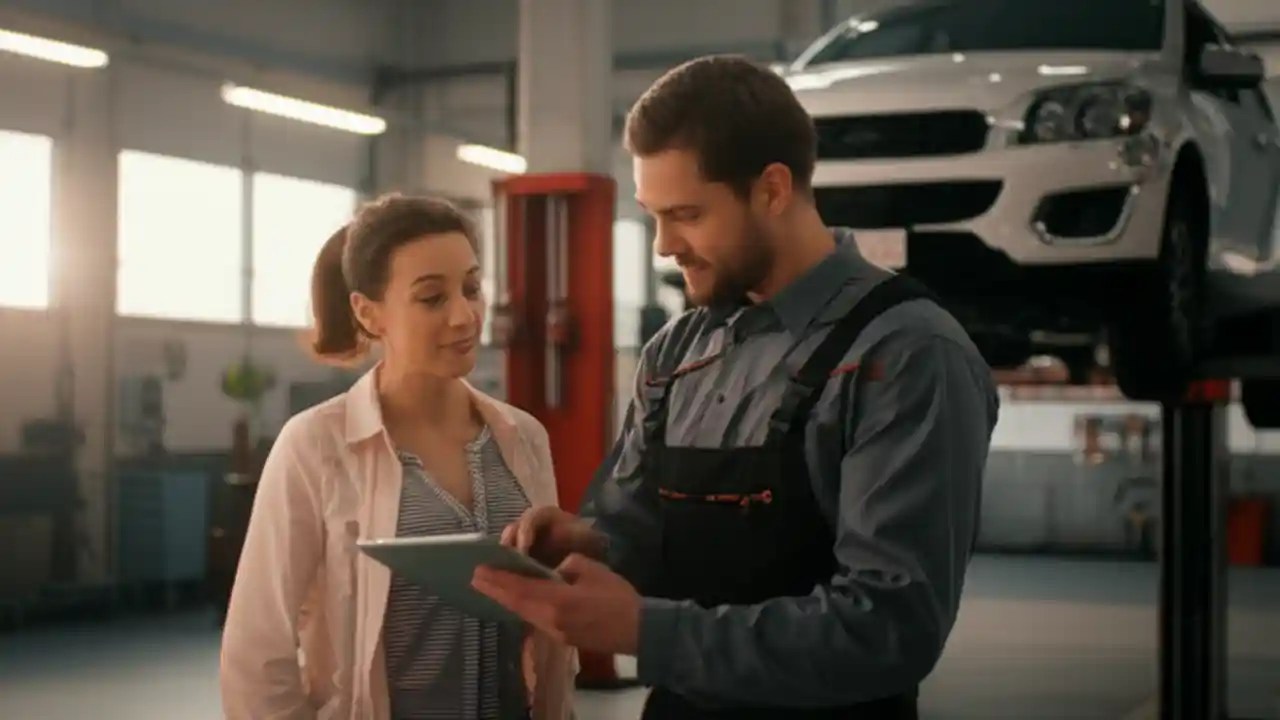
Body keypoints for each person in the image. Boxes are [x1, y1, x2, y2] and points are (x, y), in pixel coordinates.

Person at [472, 55, 999, 718]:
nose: (664, 244)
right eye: (653, 215)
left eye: (687, 213)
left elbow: (887, 629)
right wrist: (585, 543)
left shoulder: (905, 354)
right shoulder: (678, 351)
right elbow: (640, 532)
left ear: (772, 190)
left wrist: (642, 630)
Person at [220, 195, 576, 720]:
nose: (464, 315)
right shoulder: (315, 446)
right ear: (369, 312)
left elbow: (551, 634)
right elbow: (257, 651)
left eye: (472, 288)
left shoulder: (522, 437)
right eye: (432, 298)